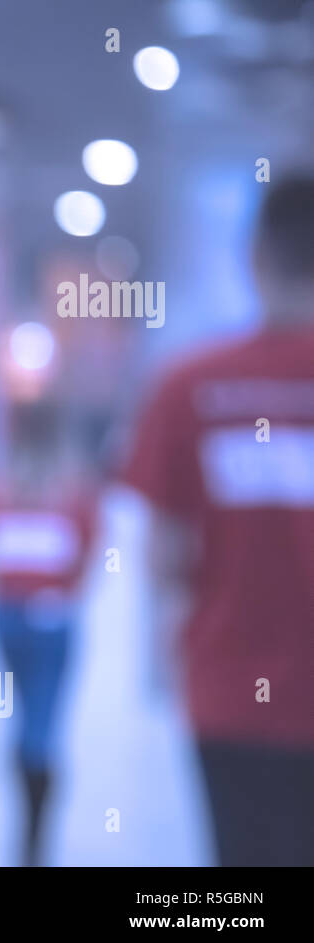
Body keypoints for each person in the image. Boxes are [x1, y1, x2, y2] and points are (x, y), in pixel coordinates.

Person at [123, 176, 314, 866]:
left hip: (230, 693)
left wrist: (160, 663)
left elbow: (162, 554)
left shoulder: (188, 387)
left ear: (254, 257)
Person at [0, 401, 97, 866]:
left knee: (25, 718)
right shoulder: (74, 493)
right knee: (41, 722)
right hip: (52, 619)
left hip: (7, 616)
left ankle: (28, 835)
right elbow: (87, 558)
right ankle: (34, 839)